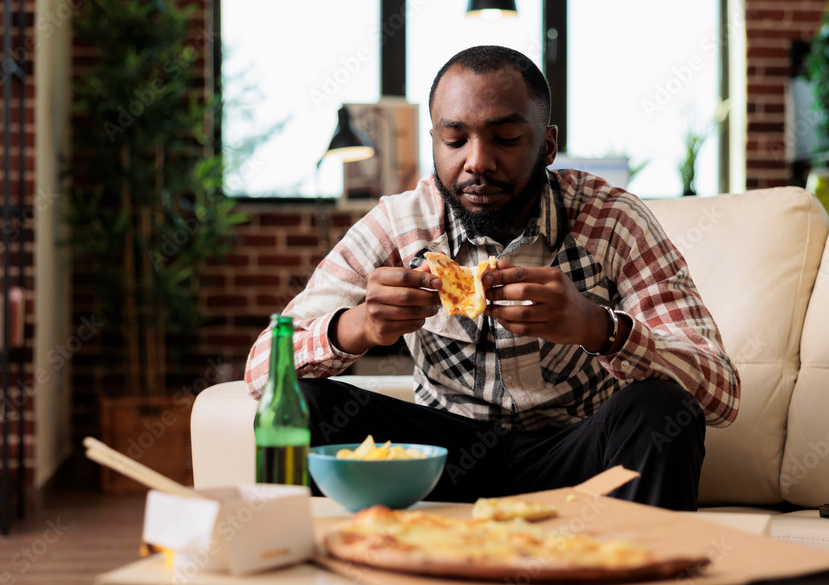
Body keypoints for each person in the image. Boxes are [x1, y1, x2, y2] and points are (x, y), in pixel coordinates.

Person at [245, 45, 739, 510]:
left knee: (658, 409)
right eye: (455, 140)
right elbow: (262, 369)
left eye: (505, 138)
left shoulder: (612, 220)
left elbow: (720, 392)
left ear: (548, 145)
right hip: (442, 460)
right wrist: (357, 327)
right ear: (435, 143)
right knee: (304, 406)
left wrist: (597, 329)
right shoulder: (398, 223)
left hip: (577, 461)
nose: (477, 161)